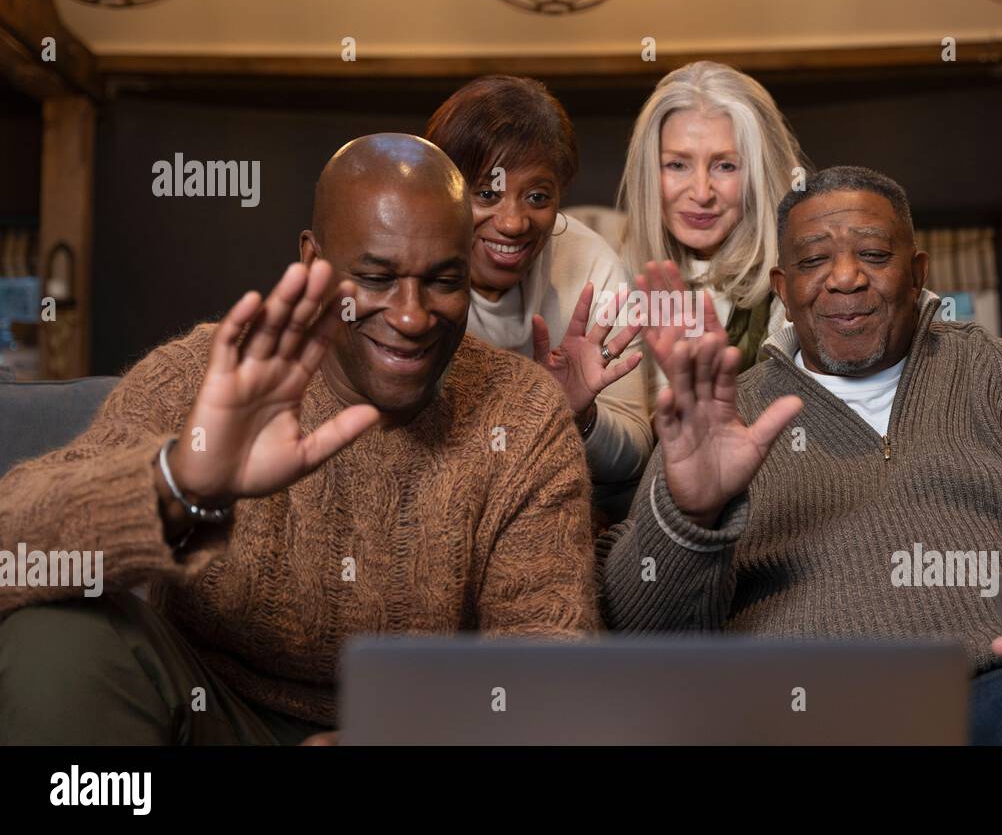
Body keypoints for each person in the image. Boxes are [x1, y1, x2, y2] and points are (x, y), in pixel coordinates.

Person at [0, 134, 597, 745]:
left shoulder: (521, 416)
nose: (412, 316)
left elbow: (545, 659)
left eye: (443, 281)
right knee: (54, 635)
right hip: (205, 720)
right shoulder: (206, 378)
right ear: (313, 260)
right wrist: (179, 486)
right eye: (376, 276)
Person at [599, 166, 1002, 745]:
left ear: (917, 273)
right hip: (795, 705)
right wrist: (690, 512)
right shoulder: (723, 413)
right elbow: (647, 628)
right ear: (782, 290)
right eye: (813, 261)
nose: (846, 279)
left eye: (875, 256)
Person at [424, 76, 651, 516]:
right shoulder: (409, 267)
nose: (513, 223)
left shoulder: (590, 264)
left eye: (536, 196)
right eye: (487, 193)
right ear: (442, 188)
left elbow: (634, 454)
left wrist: (576, 418)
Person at [618, 61, 809, 395]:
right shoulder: (615, 280)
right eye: (677, 165)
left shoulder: (797, 288)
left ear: (759, 175)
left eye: (726, 165)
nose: (701, 193)